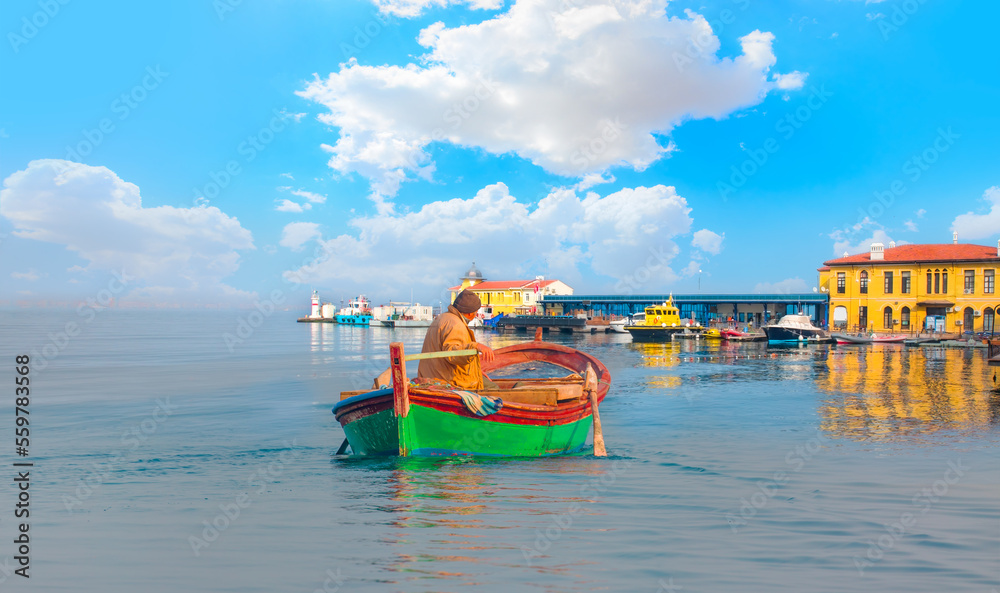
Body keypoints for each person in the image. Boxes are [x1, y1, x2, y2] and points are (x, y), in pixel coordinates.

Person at [418, 289, 495, 390]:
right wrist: (476, 346)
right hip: (447, 381)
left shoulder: (442, 317)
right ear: (470, 314)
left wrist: (475, 371)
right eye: (476, 312)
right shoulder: (456, 324)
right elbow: (453, 353)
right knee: (494, 388)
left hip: (431, 374)